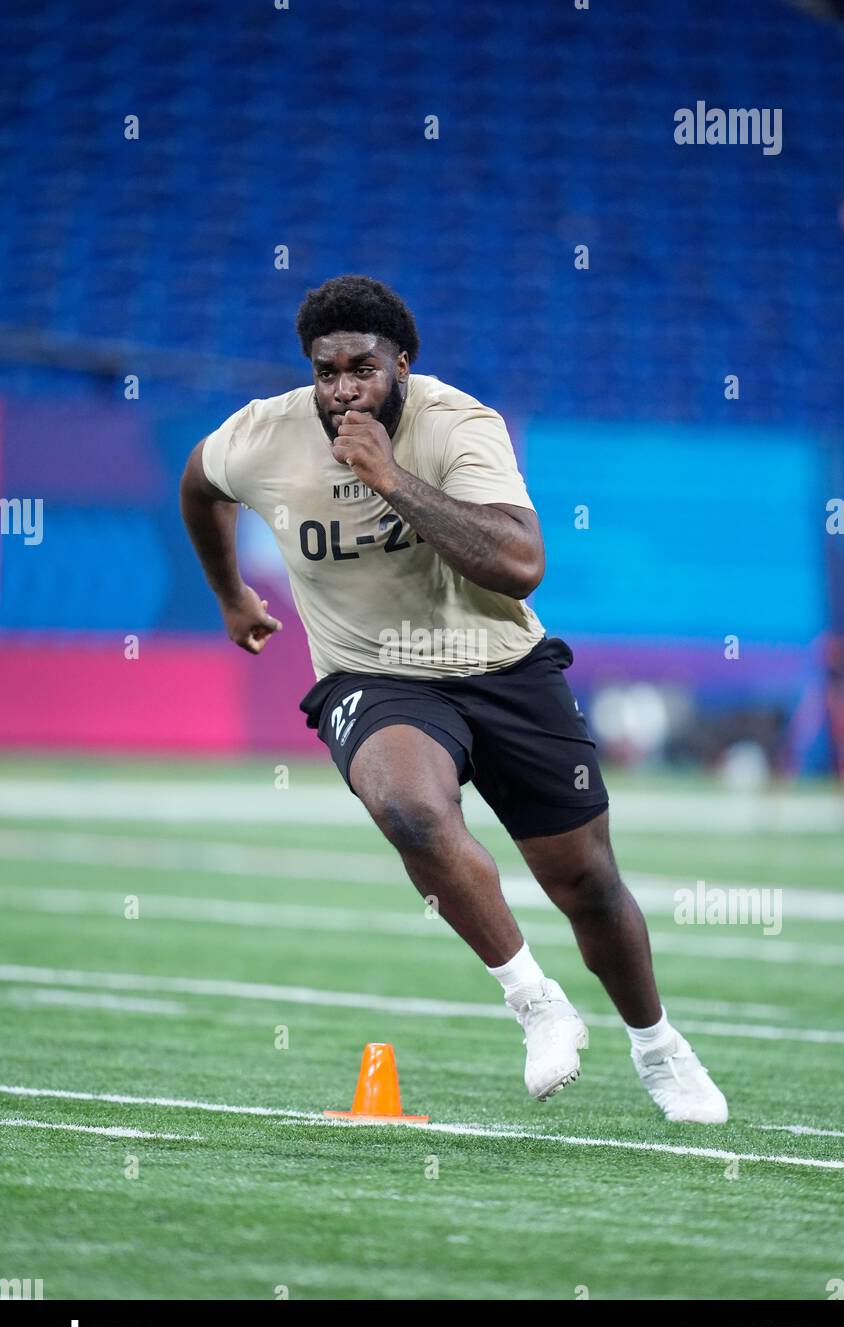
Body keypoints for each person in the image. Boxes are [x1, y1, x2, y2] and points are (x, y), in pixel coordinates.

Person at [180, 274, 727, 1123]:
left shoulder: (460, 425)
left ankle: (660, 1046)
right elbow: (198, 484)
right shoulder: (265, 435)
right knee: (410, 809)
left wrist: (391, 478)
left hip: (502, 666)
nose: (343, 391)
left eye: (363, 368)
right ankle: (535, 1003)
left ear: (405, 361)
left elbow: (519, 563)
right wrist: (229, 595)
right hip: (373, 674)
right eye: (327, 372)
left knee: (585, 881)